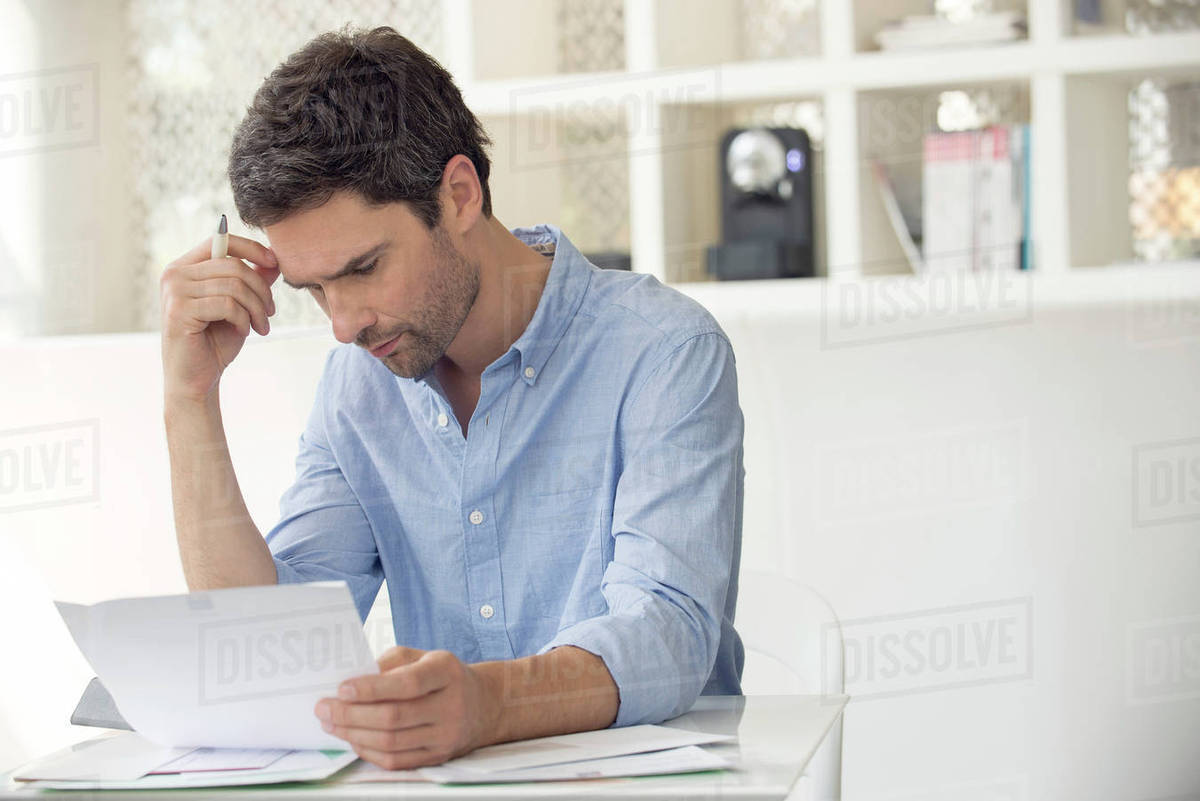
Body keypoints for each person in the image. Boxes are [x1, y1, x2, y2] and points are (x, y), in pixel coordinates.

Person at [159, 25, 744, 771]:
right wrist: (189, 393)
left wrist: (492, 703)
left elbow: (667, 633)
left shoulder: (663, 353)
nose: (342, 325)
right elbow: (265, 646)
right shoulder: (361, 384)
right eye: (314, 290)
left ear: (458, 194)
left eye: (364, 267)